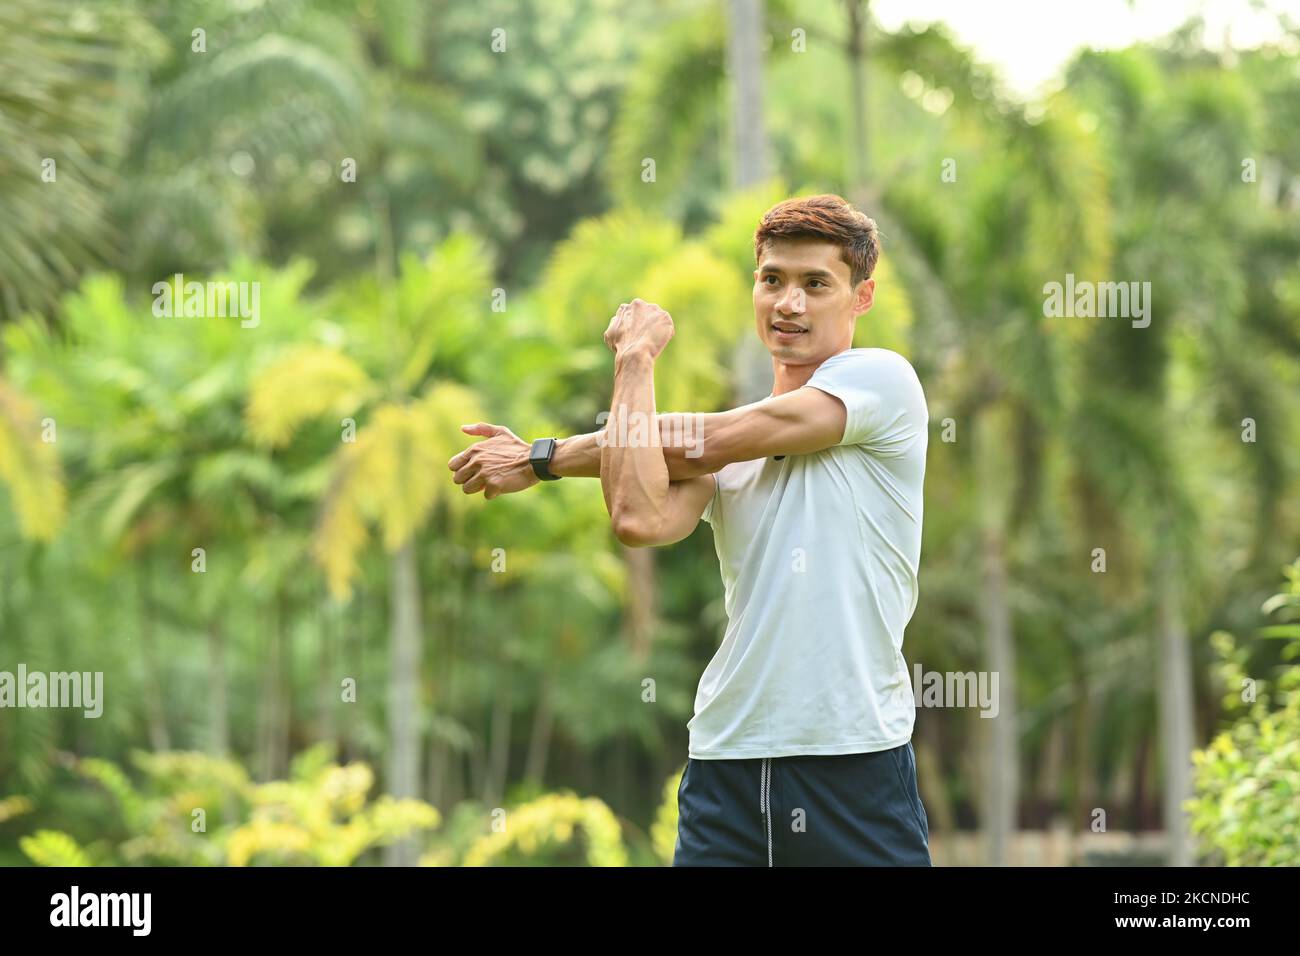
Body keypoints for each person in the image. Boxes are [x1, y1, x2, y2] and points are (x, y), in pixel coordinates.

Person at [448, 194, 930, 866]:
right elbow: (640, 516)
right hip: (724, 764)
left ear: (862, 296)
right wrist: (635, 362)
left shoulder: (881, 383)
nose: (789, 304)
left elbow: (701, 440)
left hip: (851, 764)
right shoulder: (726, 449)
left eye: (815, 284)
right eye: (772, 280)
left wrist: (544, 456)